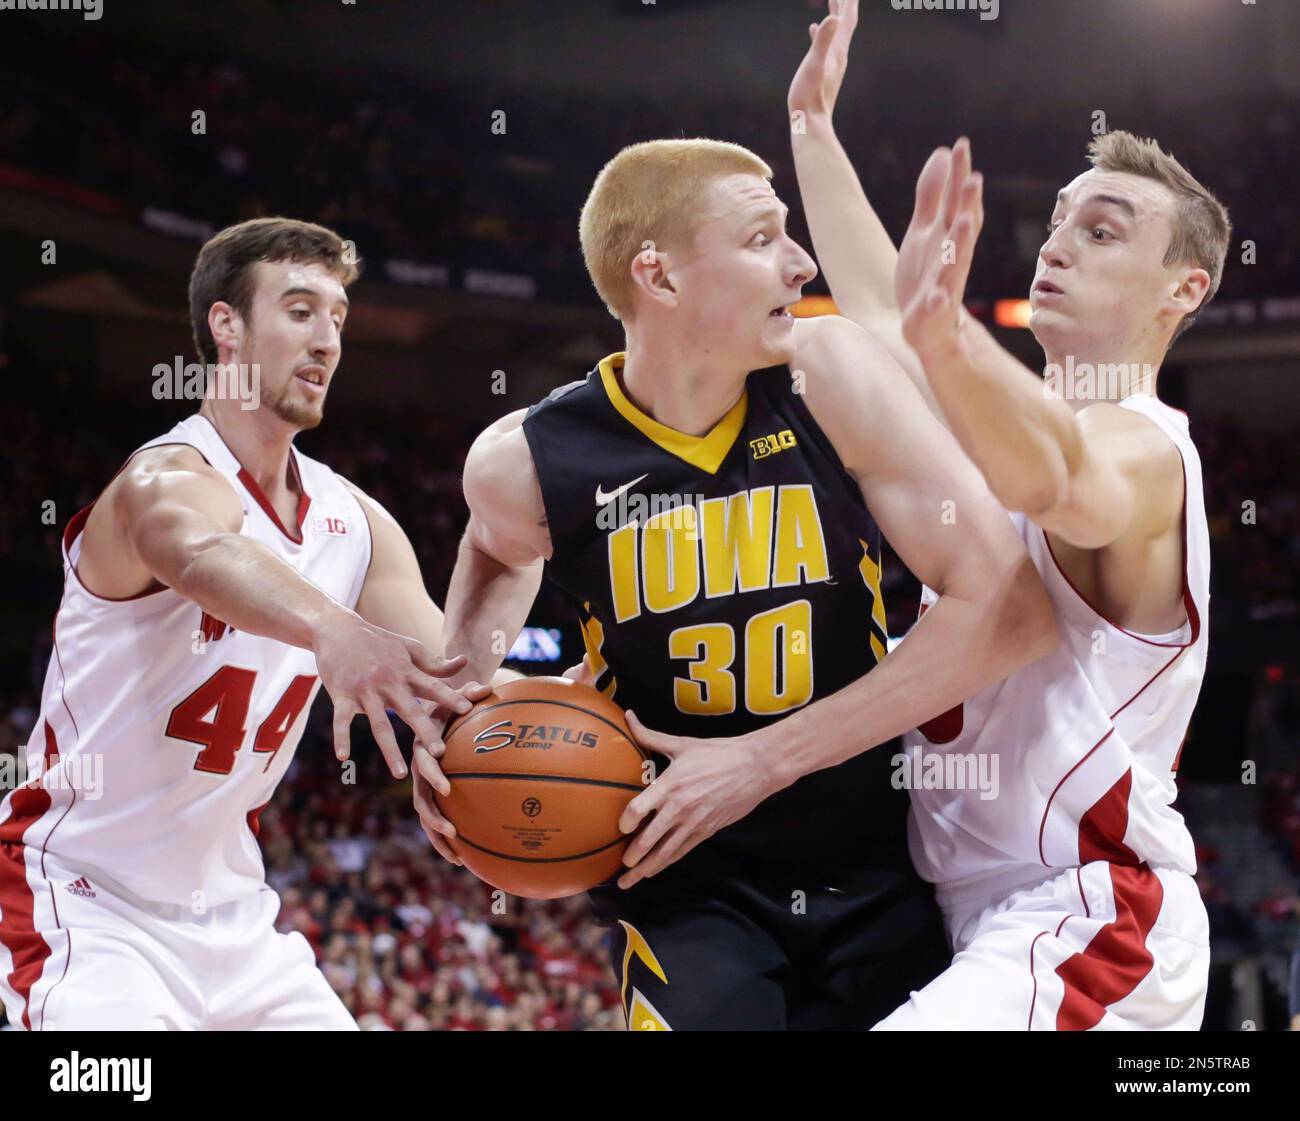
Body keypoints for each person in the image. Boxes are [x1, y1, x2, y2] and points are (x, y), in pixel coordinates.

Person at [413, 136, 1057, 1029]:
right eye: (762, 240)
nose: (799, 265)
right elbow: (496, 548)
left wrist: (761, 760)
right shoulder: (529, 460)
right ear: (661, 278)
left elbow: (1013, 612)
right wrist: (459, 702)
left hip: (878, 859)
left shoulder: (825, 378)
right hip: (675, 884)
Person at [786, 0, 1227, 1028]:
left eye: (1103, 229)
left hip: (1092, 914)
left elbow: (1060, 477)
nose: (1058, 242)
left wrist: (941, 335)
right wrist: (812, 126)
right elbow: (880, 306)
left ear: (1185, 287)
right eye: (1062, 218)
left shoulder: (1146, 450)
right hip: (976, 915)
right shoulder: (996, 428)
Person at [0, 217, 487, 1031]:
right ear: (225, 325)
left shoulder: (355, 520)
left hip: (236, 921)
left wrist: (572, 704)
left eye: (338, 318)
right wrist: (333, 627)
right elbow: (196, 550)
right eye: (299, 310)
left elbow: (454, 671)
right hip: (82, 901)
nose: (328, 339)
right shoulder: (161, 480)